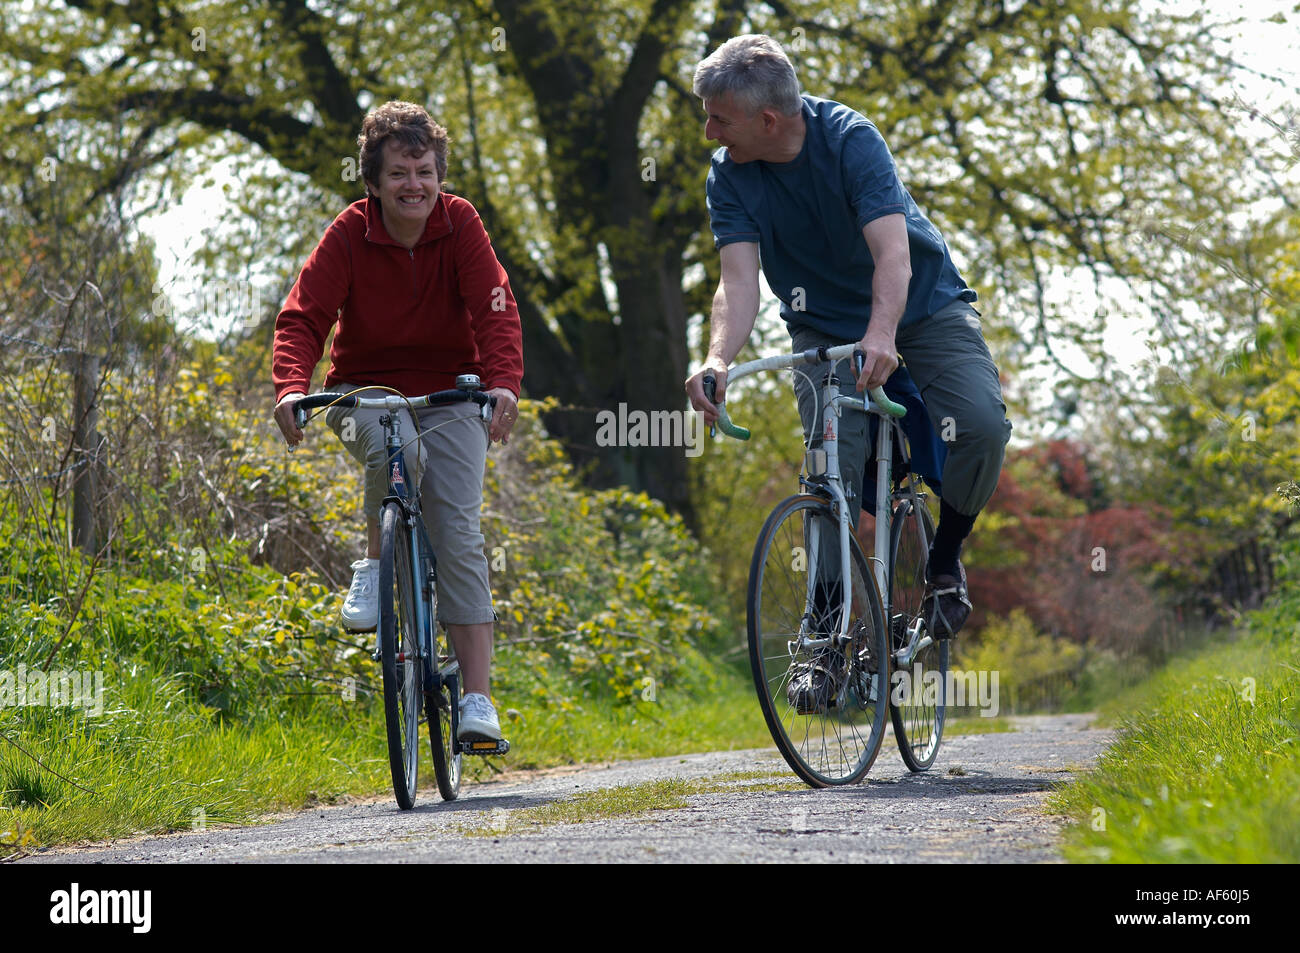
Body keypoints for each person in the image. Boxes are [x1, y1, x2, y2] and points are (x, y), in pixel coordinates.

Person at [685, 35, 1011, 658]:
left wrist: (883, 334)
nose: (709, 133)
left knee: (978, 426)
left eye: (718, 119)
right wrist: (716, 357)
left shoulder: (849, 139)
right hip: (824, 328)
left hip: (920, 306)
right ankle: (825, 631)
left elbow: (892, 254)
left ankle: (943, 561)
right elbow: (737, 281)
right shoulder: (729, 175)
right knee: (831, 465)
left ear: (768, 120)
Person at [272, 101, 523, 741]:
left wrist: (502, 386)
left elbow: (494, 307)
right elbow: (303, 318)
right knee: (396, 449)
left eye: (424, 170)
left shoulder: (460, 222)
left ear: (438, 174)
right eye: (398, 174)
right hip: (365, 392)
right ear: (374, 183)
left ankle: (477, 701)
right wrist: (290, 390)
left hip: (453, 392)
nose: (413, 184)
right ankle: (375, 564)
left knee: (459, 531)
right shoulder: (348, 235)